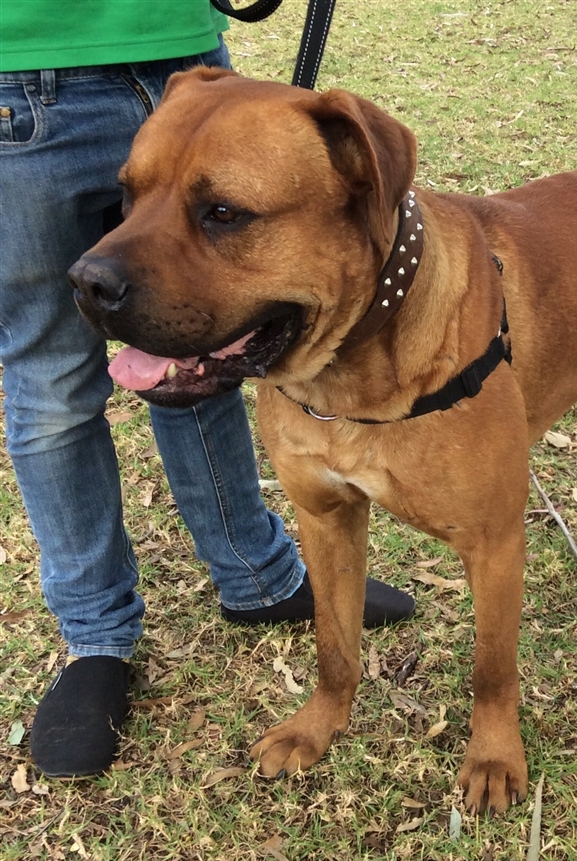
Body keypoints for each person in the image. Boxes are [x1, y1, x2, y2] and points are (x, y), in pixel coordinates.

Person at [0, 0, 414, 779]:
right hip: (21, 73)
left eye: (226, 212)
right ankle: (95, 638)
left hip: (183, 57)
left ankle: (255, 577)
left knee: (222, 345)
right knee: (52, 384)